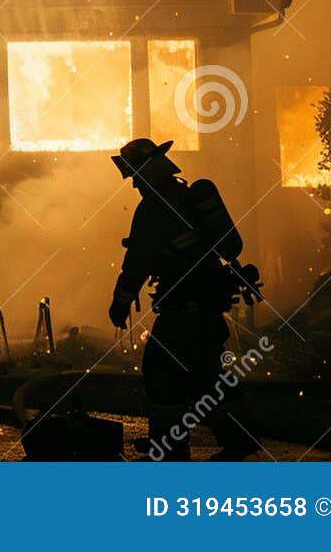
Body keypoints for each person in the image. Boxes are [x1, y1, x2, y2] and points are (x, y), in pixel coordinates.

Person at [108, 137, 260, 461]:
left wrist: (120, 302)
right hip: (205, 306)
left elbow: (138, 261)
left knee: (161, 370)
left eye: (135, 175)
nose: (133, 183)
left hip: (183, 310)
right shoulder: (184, 197)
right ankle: (238, 438)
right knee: (206, 373)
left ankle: (170, 449)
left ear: (146, 172)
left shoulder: (153, 208)